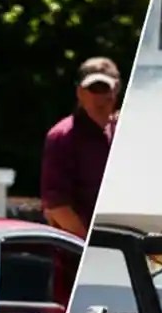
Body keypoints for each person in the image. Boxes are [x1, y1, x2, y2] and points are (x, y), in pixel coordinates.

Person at [39, 56, 121, 239]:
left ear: (116, 91)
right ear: (80, 93)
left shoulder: (122, 132)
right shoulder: (62, 136)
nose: (100, 96)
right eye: (94, 88)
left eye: (106, 88)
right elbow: (57, 206)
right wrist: (88, 244)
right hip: (75, 257)